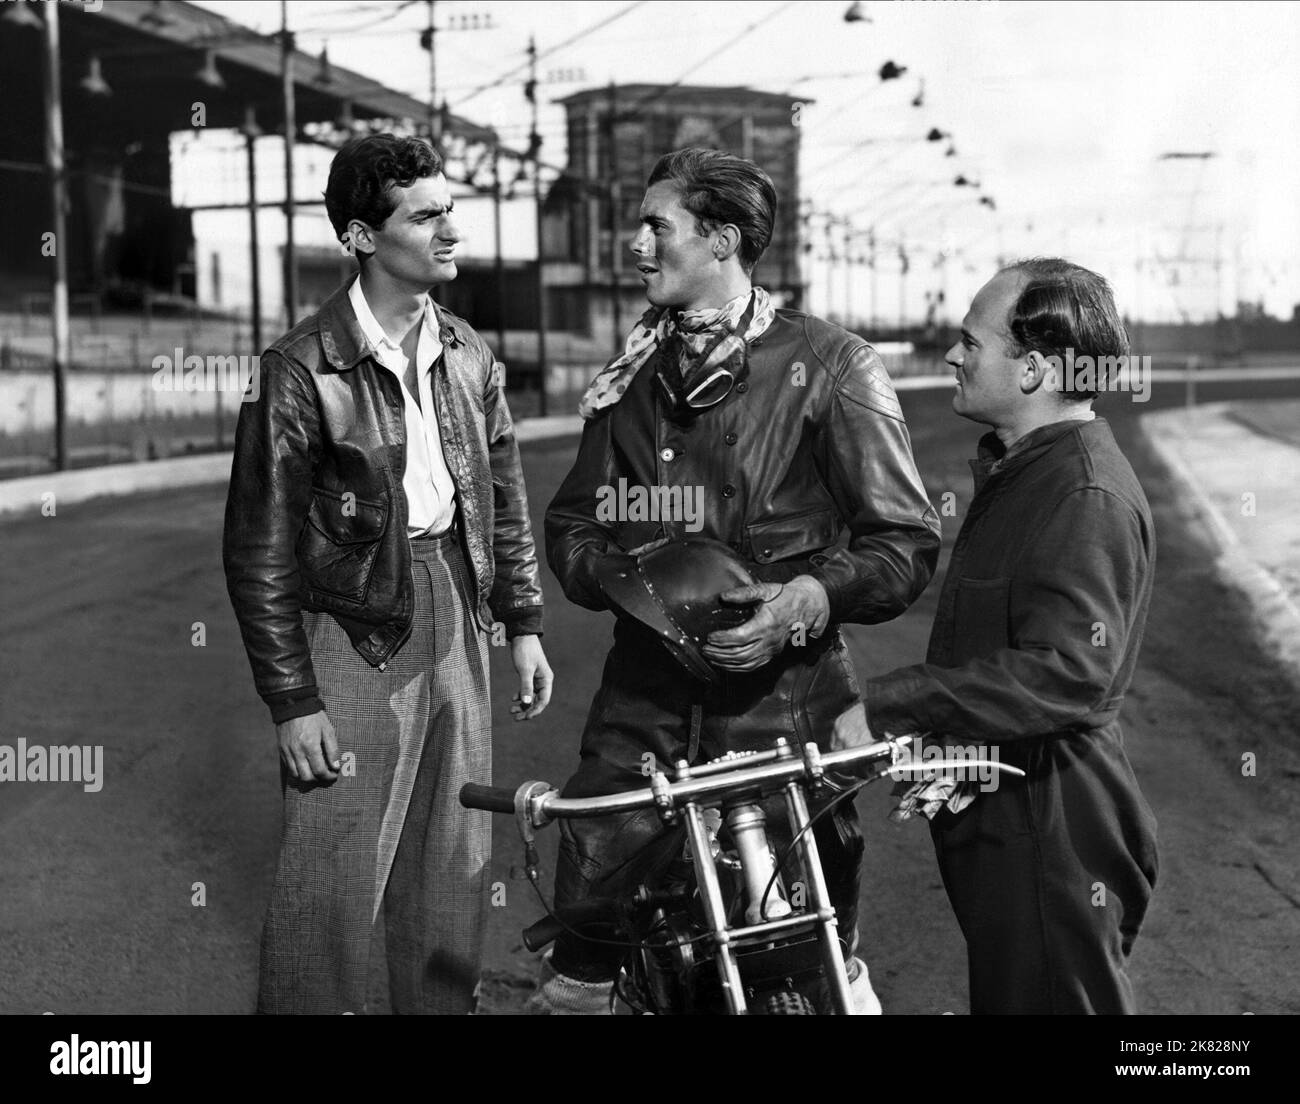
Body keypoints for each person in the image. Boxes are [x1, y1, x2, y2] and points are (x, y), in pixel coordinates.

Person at [537, 147, 941, 1013]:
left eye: (657, 226)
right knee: (584, 959)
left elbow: (905, 541)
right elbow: (572, 526)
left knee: (817, 957)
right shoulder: (633, 377)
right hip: (641, 713)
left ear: (721, 239)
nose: (636, 245)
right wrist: (625, 581)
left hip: (789, 711)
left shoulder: (834, 367)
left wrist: (809, 598)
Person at [223, 134, 552, 1015]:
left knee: (452, 872)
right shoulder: (296, 369)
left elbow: (505, 497)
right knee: (329, 882)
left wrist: (523, 623)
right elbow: (256, 551)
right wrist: (294, 701)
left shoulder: (469, 351)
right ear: (364, 237)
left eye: (450, 208)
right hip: (353, 630)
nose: (452, 229)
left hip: (458, 610)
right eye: (427, 214)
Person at [836, 258, 1160, 1014]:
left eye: (970, 342)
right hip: (1017, 805)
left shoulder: (1082, 490)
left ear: (1035, 369)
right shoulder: (1025, 472)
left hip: (1053, 824)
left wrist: (895, 705)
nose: (952, 356)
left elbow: (1069, 674)